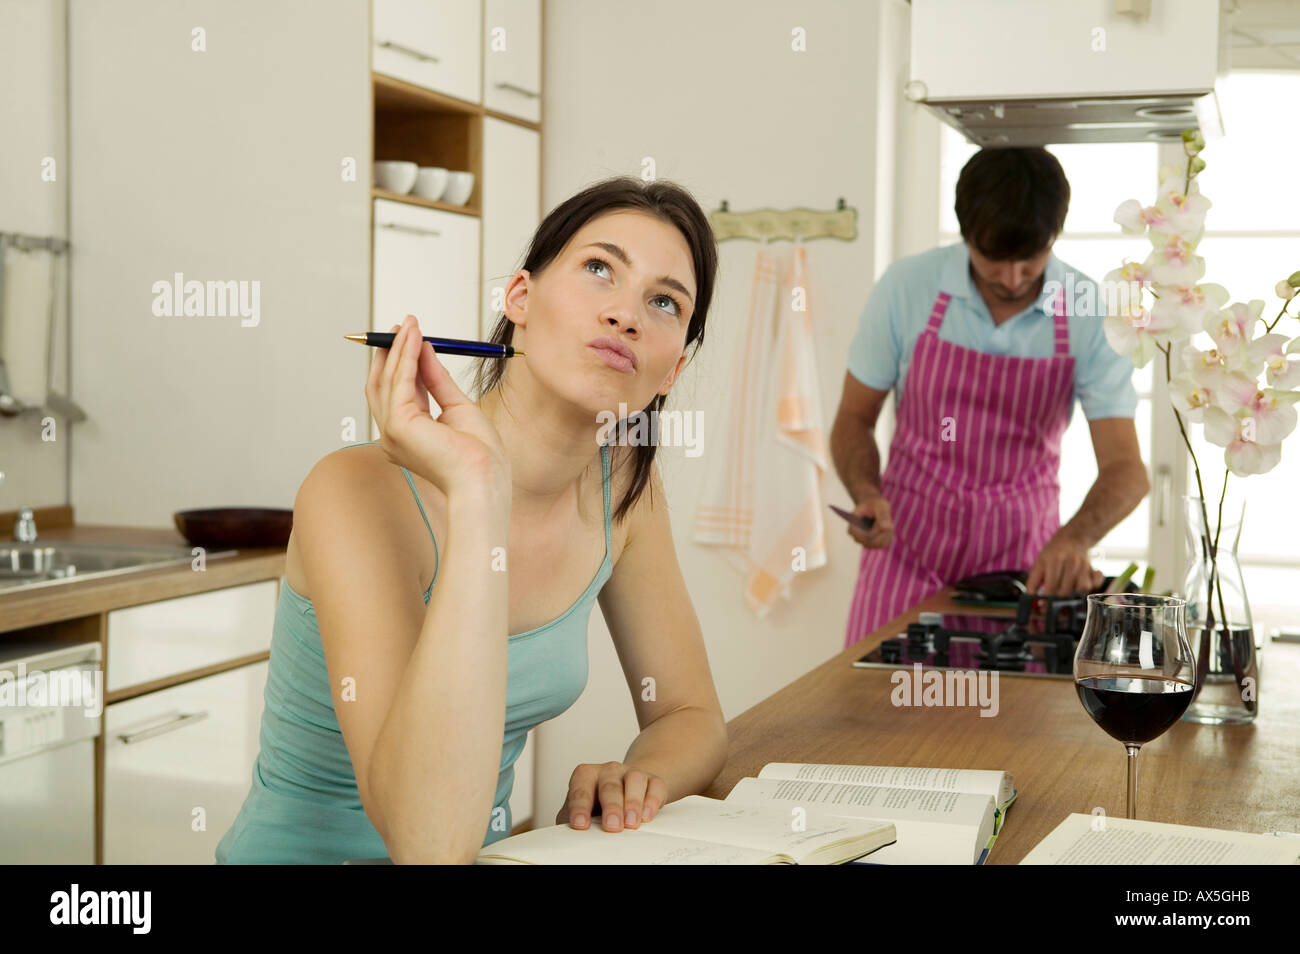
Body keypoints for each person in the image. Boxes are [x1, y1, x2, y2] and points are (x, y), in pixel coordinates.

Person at [216, 177, 727, 863]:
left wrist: (643, 778)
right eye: (599, 268)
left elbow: (688, 715)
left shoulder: (625, 487)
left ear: (674, 368)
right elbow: (426, 845)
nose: (626, 314)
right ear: (520, 298)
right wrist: (479, 490)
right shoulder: (355, 491)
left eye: (664, 302)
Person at [832, 147, 1150, 648]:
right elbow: (852, 420)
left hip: (1022, 578)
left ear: (1055, 237)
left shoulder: (1091, 312)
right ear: (965, 235)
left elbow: (1127, 470)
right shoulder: (905, 288)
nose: (1012, 278)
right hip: (903, 562)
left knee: (1007, 723)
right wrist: (866, 495)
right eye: (993, 260)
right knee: (875, 723)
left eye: (1031, 259)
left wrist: (1075, 539)